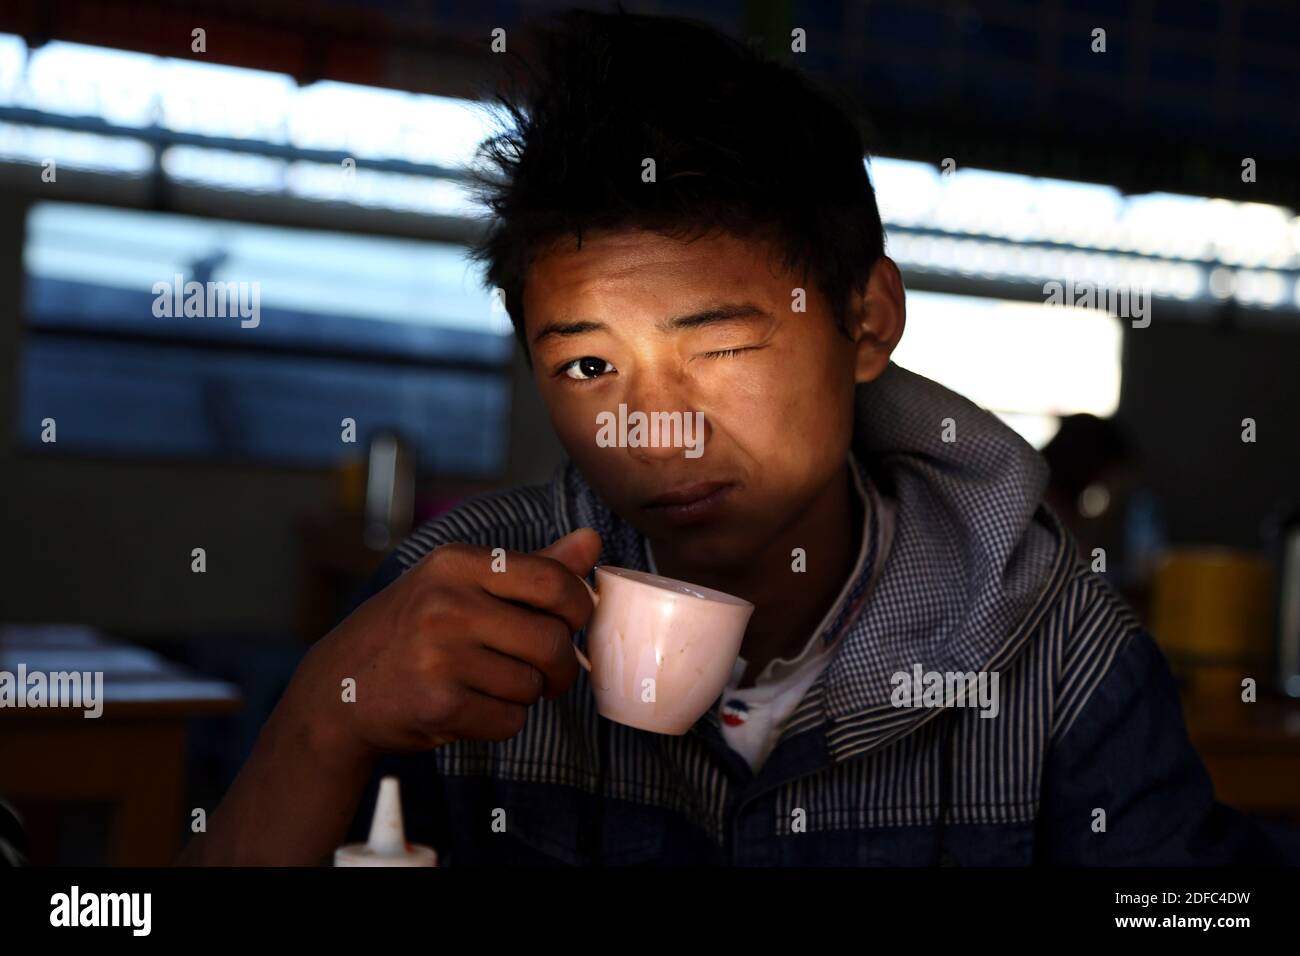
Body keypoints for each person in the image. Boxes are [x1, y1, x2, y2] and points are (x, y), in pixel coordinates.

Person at [179, 9, 1285, 866]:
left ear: (865, 319)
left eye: (716, 343)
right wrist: (328, 710)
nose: (652, 426)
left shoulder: (1053, 653)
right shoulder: (453, 605)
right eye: (587, 364)